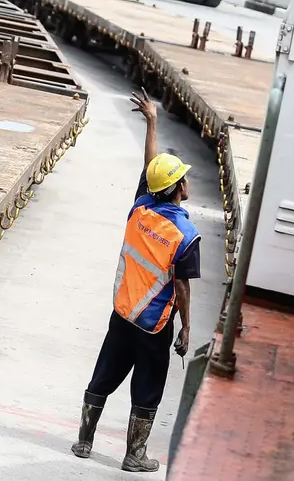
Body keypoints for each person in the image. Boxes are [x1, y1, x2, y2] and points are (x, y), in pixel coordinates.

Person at [70, 88, 201, 473]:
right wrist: (187, 327)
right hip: (155, 323)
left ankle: (83, 441)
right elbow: (182, 287)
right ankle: (134, 455)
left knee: (105, 373)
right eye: (183, 178)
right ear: (179, 188)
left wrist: (153, 121)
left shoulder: (140, 210)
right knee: (147, 387)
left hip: (124, 311)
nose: (186, 181)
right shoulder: (185, 235)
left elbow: (150, 173)